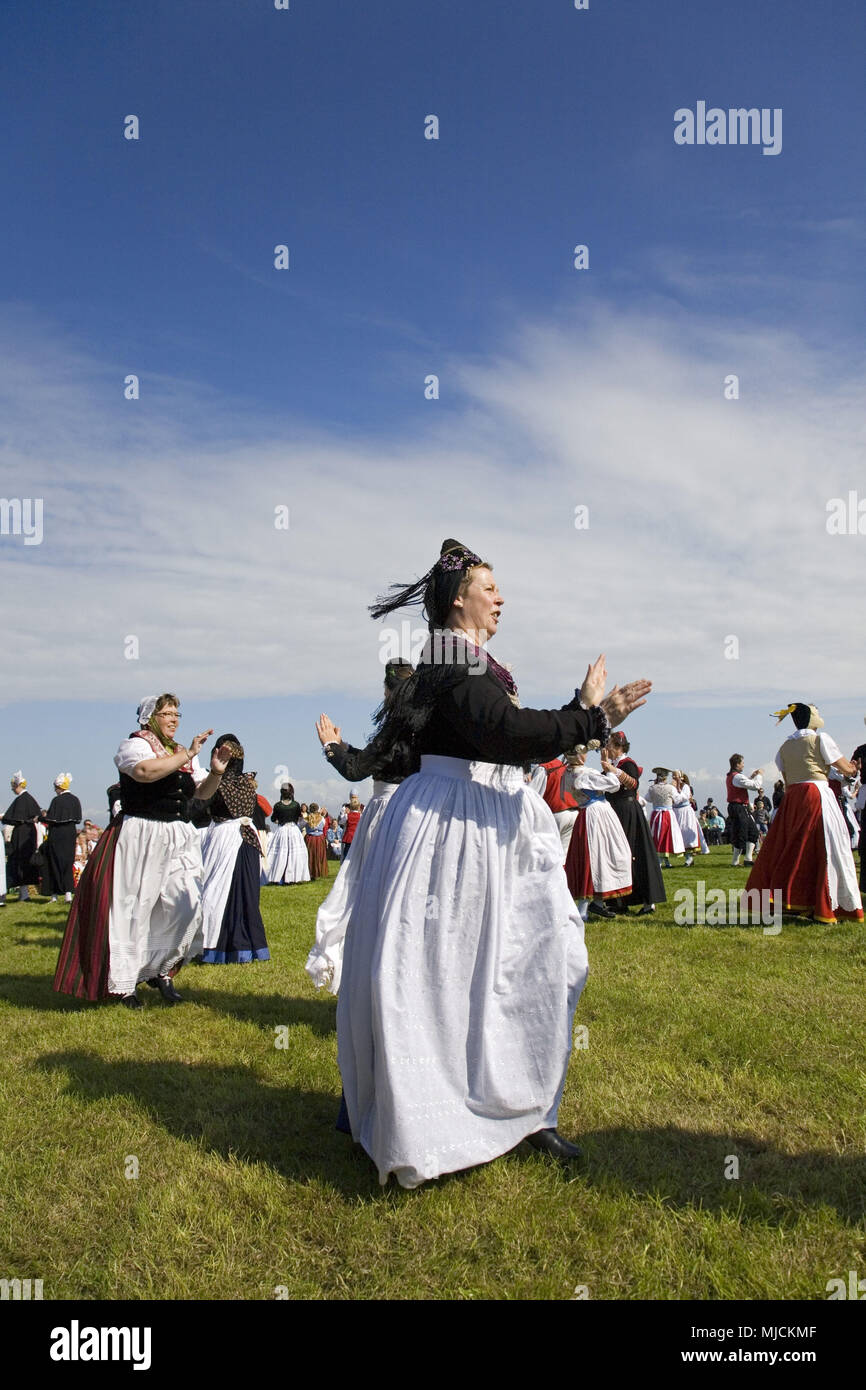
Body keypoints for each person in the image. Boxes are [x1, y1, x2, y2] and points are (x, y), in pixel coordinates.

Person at [337, 537, 651, 1188]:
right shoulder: (450, 663)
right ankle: (432, 1120)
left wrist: (580, 713)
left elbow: (505, 734)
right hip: (456, 823)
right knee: (445, 974)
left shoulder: (467, 663)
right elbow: (502, 735)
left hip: (490, 820)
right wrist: (594, 716)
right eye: (490, 586)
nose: (501, 597)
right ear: (460, 599)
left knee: (546, 958)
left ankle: (527, 1103)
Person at [54, 694, 229, 1008]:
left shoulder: (182, 752)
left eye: (177, 713)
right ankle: (124, 984)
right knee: (135, 909)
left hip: (177, 834)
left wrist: (215, 772)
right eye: (167, 713)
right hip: (141, 833)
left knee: (186, 906)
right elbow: (145, 772)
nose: (174, 719)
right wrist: (187, 753)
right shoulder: (134, 745)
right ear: (150, 717)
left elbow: (200, 794)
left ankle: (162, 968)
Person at [306, 659, 415, 994]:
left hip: (386, 813)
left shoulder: (393, 727)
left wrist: (330, 747)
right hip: (415, 813)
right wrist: (342, 747)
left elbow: (355, 770)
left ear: (388, 691)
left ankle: (370, 975)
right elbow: (369, 758)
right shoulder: (420, 728)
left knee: (367, 892)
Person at [745, 703, 862, 924]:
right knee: (827, 846)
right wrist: (854, 769)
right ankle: (824, 902)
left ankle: (793, 900)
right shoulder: (821, 739)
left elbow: (788, 777)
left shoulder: (785, 746)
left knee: (791, 847)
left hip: (794, 797)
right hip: (816, 793)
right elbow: (845, 768)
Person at [198, 736, 270, 964]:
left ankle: (217, 946)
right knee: (243, 891)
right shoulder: (248, 784)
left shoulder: (216, 782)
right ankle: (248, 946)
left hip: (227, 837)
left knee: (219, 891)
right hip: (246, 838)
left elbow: (198, 810)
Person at [562, 742, 632, 919]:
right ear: (579, 756)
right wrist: (607, 766)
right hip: (598, 814)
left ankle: (596, 904)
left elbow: (565, 793)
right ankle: (584, 909)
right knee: (599, 857)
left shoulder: (567, 773)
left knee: (594, 857)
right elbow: (614, 785)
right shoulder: (587, 773)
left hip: (585, 813)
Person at [604, 731, 665, 916]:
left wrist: (611, 769)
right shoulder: (612, 765)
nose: (607, 748)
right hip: (615, 812)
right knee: (617, 855)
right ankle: (619, 900)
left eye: (610, 745)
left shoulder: (627, 764)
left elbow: (633, 784)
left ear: (619, 747)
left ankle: (648, 902)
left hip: (628, 812)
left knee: (636, 854)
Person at [40, 773, 83, 903]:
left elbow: (51, 818)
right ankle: (68, 894)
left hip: (57, 835)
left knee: (54, 863)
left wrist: (40, 818)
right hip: (70, 834)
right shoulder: (75, 799)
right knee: (67, 864)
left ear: (59, 787)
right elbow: (77, 819)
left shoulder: (56, 800)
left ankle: (54, 895)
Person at [3, 773, 41, 902]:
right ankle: (23, 893)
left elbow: (12, 818)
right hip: (30, 833)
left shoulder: (21, 800)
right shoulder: (30, 799)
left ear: (17, 785)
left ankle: (24, 894)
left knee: (20, 861)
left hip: (21, 834)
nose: (12, 789)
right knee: (25, 862)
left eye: (13, 786)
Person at [263, 783, 310, 885]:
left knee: (279, 855)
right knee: (294, 855)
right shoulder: (296, 804)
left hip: (282, 830)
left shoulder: (278, 805)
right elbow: (298, 817)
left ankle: (276, 877)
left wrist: (280, 819)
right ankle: (294, 877)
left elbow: (273, 819)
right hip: (293, 830)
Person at [538, 753, 581, 859]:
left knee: (549, 854)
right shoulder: (563, 765)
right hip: (573, 812)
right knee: (564, 855)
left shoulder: (544, 767)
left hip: (557, 813)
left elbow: (534, 794)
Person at [726, 754, 762, 866]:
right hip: (739, 807)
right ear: (737, 764)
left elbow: (745, 782)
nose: (743, 765)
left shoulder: (733, 776)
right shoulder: (737, 777)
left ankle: (747, 859)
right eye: (742, 763)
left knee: (753, 832)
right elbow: (755, 786)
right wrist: (759, 775)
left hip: (739, 807)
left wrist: (751, 776)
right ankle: (736, 861)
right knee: (741, 833)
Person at [645, 768, 684, 869]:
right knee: (666, 837)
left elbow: (647, 799)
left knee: (657, 837)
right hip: (667, 814)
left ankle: (665, 861)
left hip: (656, 814)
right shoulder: (671, 788)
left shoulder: (652, 788)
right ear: (666, 777)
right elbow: (678, 799)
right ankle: (660, 861)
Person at [671, 771, 709, 867]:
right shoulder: (672, 787)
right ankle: (685, 857)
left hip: (685, 812)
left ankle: (689, 857)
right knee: (678, 835)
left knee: (687, 834)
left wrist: (676, 791)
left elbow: (681, 798)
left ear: (681, 777)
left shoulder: (686, 787)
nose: (674, 778)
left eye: (675, 776)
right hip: (676, 812)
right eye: (673, 776)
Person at [305, 804, 328, 880]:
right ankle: (318, 872)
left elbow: (299, 825)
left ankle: (311, 872)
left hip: (310, 838)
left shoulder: (307, 818)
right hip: (320, 838)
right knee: (319, 855)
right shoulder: (322, 819)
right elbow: (324, 825)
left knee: (310, 855)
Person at [340, 793, 362, 860]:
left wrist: (343, 814)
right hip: (357, 836)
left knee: (347, 853)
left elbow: (341, 822)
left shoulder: (347, 815)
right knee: (356, 854)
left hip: (349, 836)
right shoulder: (361, 816)